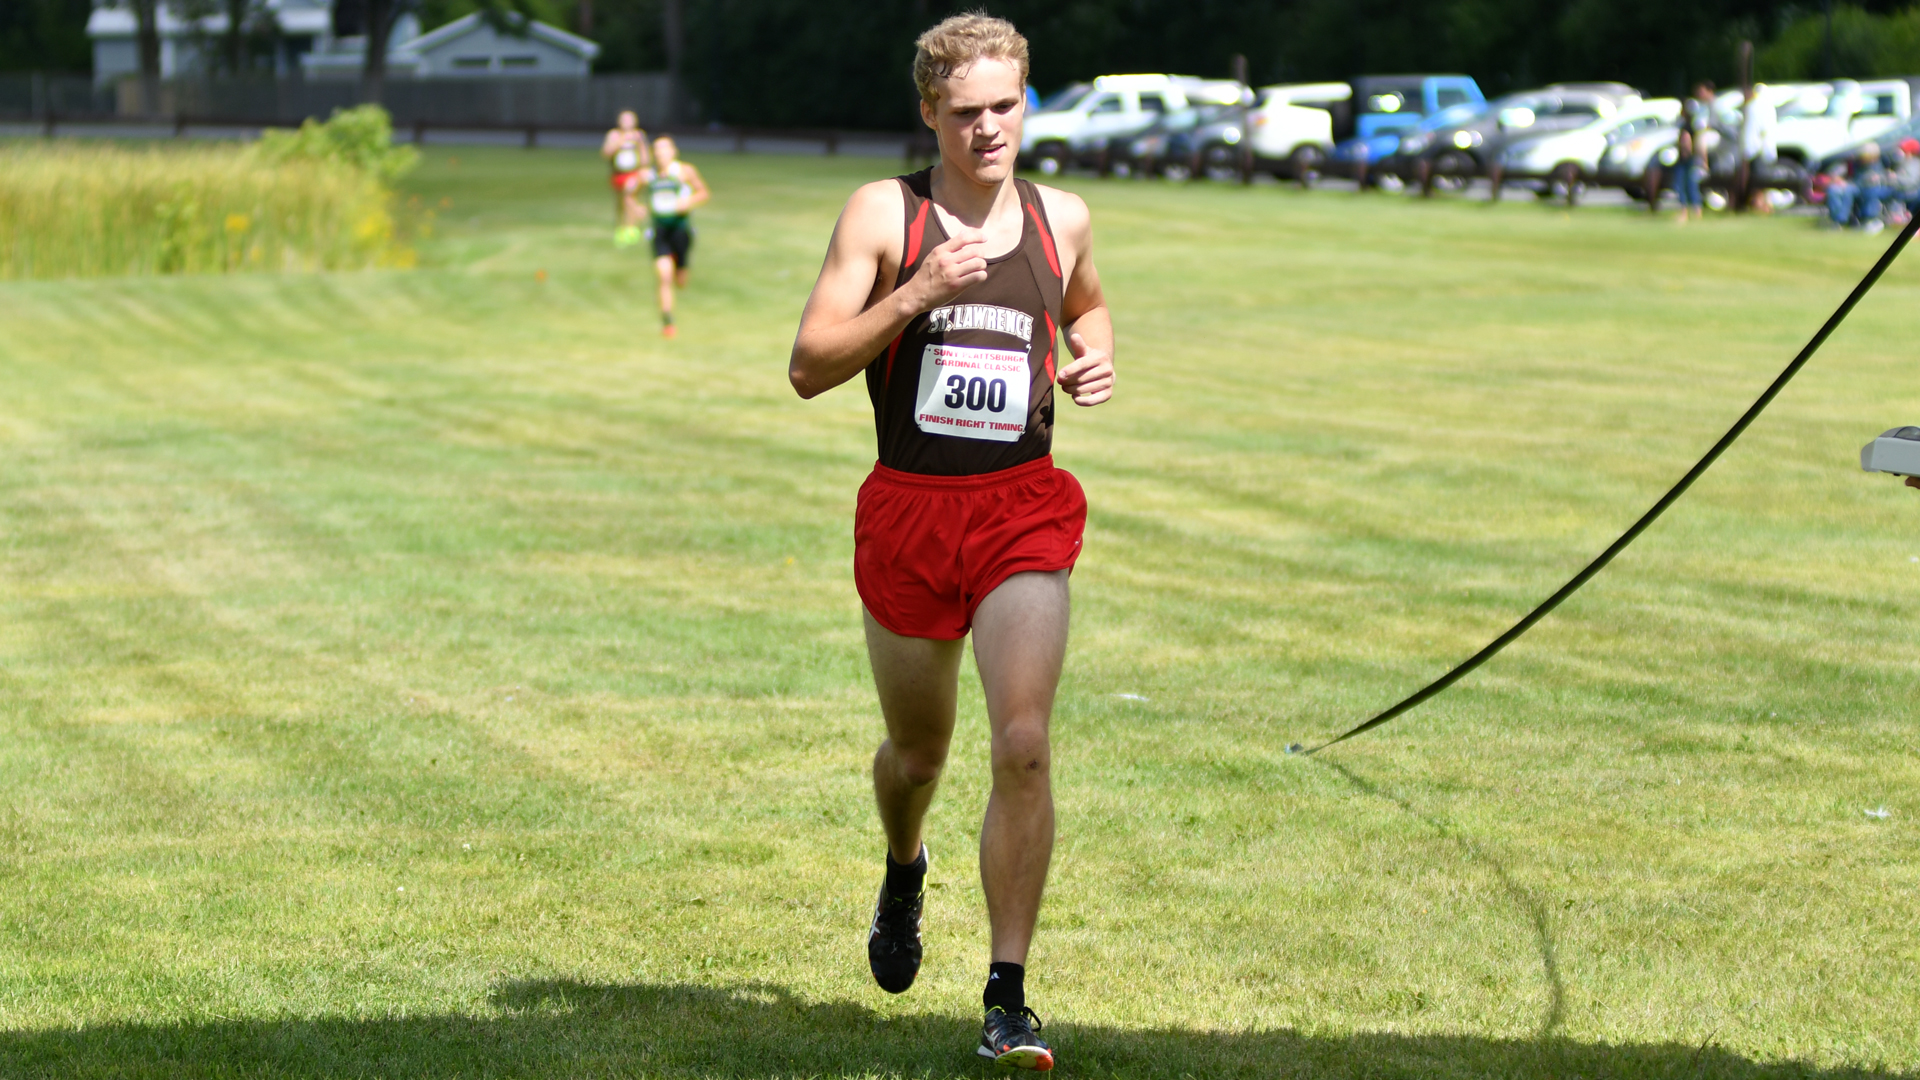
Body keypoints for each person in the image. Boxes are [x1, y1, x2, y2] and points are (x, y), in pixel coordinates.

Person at [788, 12, 1114, 1072]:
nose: (989, 129)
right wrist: (919, 291)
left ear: (1027, 101)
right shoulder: (886, 213)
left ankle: (1007, 997)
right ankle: (903, 864)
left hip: (1022, 509)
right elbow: (809, 363)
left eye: (1006, 106)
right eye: (967, 111)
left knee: (1023, 741)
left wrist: (1092, 356)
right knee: (918, 755)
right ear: (929, 111)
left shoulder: (1062, 217)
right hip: (912, 513)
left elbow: (1088, 309)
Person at [640, 135, 710, 338]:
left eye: (664, 149)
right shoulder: (648, 175)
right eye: (656, 149)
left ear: (673, 152)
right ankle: (668, 322)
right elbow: (630, 192)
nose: (660, 154)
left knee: (680, 280)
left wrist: (688, 202)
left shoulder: (684, 171)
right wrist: (637, 208)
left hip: (681, 231)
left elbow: (703, 192)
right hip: (660, 231)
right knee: (664, 276)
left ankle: (681, 267)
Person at [601, 110, 650, 247]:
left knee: (629, 197)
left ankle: (632, 229)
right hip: (618, 173)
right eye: (624, 120)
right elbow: (606, 153)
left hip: (633, 173)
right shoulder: (614, 135)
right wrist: (619, 142)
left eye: (630, 120)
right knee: (620, 203)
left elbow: (645, 156)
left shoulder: (638, 135)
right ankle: (621, 227)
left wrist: (643, 169)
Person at [1676, 81, 1715, 223]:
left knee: (1687, 184)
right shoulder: (1693, 123)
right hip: (1690, 157)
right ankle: (1693, 212)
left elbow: (1690, 142)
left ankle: (1690, 212)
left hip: (1688, 158)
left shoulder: (1688, 126)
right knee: (1688, 184)